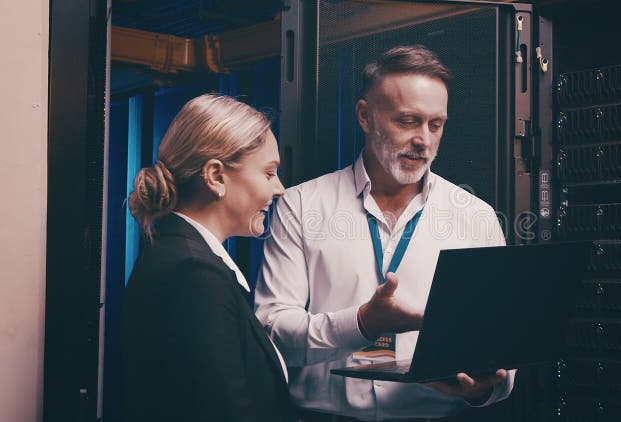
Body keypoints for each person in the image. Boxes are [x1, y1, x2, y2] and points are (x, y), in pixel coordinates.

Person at [255, 45, 514, 421]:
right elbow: (272, 333)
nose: (424, 139)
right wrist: (362, 324)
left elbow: (502, 336)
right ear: (365, 116)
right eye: (408, 121)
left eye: (435, 124)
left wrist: (483, 389)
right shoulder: (300, 206)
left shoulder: (476, 216)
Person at [122, 94, 289, 422]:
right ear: (215, 176)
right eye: (269, 173)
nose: (280, 188)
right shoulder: (194, 274)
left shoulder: (176, 256)